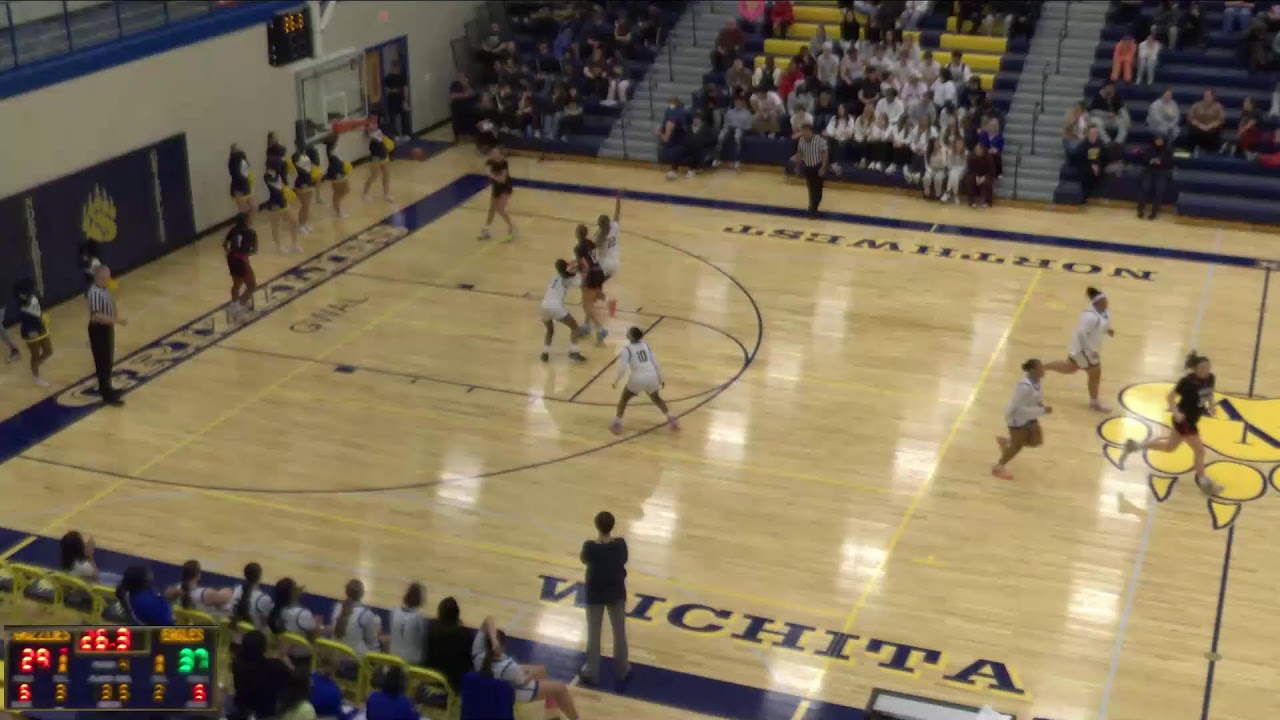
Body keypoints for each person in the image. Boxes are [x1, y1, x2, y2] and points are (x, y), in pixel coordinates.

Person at [1118, 352, 1223, 496]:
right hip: (1185, 421)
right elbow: (1170, 397)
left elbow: (1209, 393)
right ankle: (1205, 484)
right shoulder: (1187, 382)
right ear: (1196, 369)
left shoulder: (1210, 378)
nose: (1207, 370)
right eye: (1203, 368)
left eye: (1208, 367)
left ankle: (1134, 446)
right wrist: (1176, 412)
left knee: (1169, 447)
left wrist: (1211, 405)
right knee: (1200, 451)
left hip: (1192, 419)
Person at [473, 618, 583, 720]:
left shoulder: (478, 654)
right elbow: (522, 683)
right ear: (500, 647)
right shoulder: (509, 667)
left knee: (541, 670)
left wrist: (493, 639)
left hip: (502, 678)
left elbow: (487, 621)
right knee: (561, 688)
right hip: (516, 690)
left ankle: (551, 704)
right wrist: (530, 674)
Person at [579, 511, 631, 685]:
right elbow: (624, 559)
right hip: (616, 592)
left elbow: (584, 559)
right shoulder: (620, 545)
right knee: (619, 633)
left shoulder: (590, 547)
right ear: (612, 526)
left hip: (595, 594)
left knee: (594, 634)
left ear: (597, 526)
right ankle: (622, 669)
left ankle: (592, 671)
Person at [1044, 288, 1114, 411]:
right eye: (1103, 301)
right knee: (1094, 372)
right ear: (1096, 303)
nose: (1106, 302)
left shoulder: (1105, 312)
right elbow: (1082, 334)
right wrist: (1089, 351)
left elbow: (1102, 325)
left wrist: (1107, 330)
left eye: (1106, 300)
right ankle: (1094, 402)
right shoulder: (1089, 316)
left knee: (1069, 368)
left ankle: (1043, 367)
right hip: (1081, 350)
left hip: (1088, 350)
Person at [609, 326, 678, 434]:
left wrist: (616, 381)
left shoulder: (627, 349)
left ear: (631, 336)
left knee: (624, 399)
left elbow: (622, 369)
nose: (626, 333)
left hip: (637, 378)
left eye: (628, 332)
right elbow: (655, 363)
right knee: (656, 398)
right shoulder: (646, 345)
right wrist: (661, 379)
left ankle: (618, 423)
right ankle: (671, 418)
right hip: (651, 376)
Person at [991, 359, 1051, 480]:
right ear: (1033, 370)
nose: (1043, 370)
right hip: (1016, 418)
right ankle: (999, 467)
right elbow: (1019, 409)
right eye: (1041, 368)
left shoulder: (1037, 381)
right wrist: (1042, 411)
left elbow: (1036, 396)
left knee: (1036, 441)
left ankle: (1008, 443)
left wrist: (1039, 404)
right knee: (1018, 445)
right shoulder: (1024, 387)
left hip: (1029, 416)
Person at [229, 630, 292, 720]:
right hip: (268, 713)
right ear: (264, 648)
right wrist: (284, 657)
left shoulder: (237, 664)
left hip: (241, 710)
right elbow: (293, 679)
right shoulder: (275, 666)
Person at [87, 265, 125, 407]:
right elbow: (97, 316)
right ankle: (107, 395)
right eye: (106, 277)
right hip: (99, 329)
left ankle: (109, 388)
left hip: (107, 328)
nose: (109, 279)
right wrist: (116, 320)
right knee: (102, 362)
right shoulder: (94, 293)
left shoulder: (104, 288)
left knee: (108, 360)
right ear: (99, 277)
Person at [539, 259, 589, 363]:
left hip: (543, 306)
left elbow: (566, 269)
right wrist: (583, 270)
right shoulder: (568, 279)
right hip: (555, 306)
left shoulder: (556, 274)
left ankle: (545, 353)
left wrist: (573, 264)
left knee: (550, 330)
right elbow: (580, 282)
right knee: (574, 327)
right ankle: (573, 352)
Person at [424, 597, 471, 694]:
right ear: (457, 614)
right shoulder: (464, 635)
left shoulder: (430, 629)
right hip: (453, 684)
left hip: (430, 677)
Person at [574, 225, 610, 346]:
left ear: (577, 234)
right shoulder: (591, 243)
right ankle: (587, 326)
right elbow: (594, 259)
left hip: (591, 275)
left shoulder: (578, 248)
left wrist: (583, 280)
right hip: (599, 271)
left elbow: (585, 265)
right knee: (590, 303)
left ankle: (600, 329)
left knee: (586, 305)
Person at [331, 579, 382, 656]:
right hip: (355, 657)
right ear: (362, 594)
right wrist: (377, 632)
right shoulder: (365, 614)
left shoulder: (337, 607)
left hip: (336, 653)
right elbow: (371, 642)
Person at [15, 280, 51, 386]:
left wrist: (43, 316)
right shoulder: (21, 304)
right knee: (35, 354)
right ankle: (36, 377)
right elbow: (24, 318)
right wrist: (31, 330)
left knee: (49, 351)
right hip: (29, 331)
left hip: (41, 327)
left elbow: (39, 308)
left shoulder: (34, 296)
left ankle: (35, 366)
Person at [262, 157, 301, 253]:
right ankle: (279, 246)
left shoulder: (279, 173)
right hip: (274, 203)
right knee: (276, 225)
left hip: (282, 200)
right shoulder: (267, 175)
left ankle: (295, 244)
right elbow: (274, 182)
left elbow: (283, 181)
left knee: (294, 220)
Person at [223, 213, 258, 320]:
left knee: (237, 283)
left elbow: (225, 244)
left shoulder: (233, 230)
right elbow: (254, 250)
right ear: (247, 220)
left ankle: (234, 305)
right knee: (252, 285)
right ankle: (240, 306)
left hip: (231, 258)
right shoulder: (251, 233)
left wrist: (229, 252)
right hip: (242, 259)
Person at [792, 124, 830, 217]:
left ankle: (813, 207)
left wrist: (823, 167)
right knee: (811, 189)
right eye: (803, 131)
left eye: (805, 131)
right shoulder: (801, 140)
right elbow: (799, 154)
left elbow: (825, 154)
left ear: (811, 131)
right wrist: (797, 167)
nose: (803, 133)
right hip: (808, 167)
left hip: (817, 167)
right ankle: (813, 208)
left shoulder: (819, 140)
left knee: (818, 190)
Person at [389, 582, 428, 667]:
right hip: (411, 661)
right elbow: (422, 639)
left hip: (393, 656)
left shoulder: (394, 611)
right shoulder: (419, 617)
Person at [479, 149, 515, 241]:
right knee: (491, 209)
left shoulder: (503, 163)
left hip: (505, 187)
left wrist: (492, 175)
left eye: (496, 153)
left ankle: (511, 227)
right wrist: (492, 175)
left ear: (499, 154)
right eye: (492, 153)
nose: (494, 155)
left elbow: (502, 179)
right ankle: (486, 231)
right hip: (496, 188)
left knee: (500, 209)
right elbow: (487, 171)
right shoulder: (489, 162)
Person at [1135, 134, 1174, 219]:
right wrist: (1150, 161)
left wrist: (1161, 162)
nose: (1158, 142)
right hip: (1149, 169)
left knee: (1159, 190)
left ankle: (1154, 212)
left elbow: (1171, 163)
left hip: (1162, 171)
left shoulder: (1168, 150)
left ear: (1163, 141)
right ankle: (1140, 209)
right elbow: (1144, 158)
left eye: (1160, 140)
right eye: (1157, 140)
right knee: (1145, 187)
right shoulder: (1149, 148)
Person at [230, 562, 274, 631]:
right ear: (259, 576)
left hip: (235, 637)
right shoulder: (263, 598)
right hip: (254, 638)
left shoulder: (236, 590)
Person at [363, 123, 395, 202]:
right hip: (375, 158)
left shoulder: (379, 132)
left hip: (384, 156)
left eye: (374, 124)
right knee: (373, 176)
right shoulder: (371, 138)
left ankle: (386, 194)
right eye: (371, 125)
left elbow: (383, 141)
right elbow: (374, 138)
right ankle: (365, 193)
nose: (374, 125)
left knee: (386, 175)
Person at [1187, 89, 1225, 155]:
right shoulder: (1197, 105)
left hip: (1211, 128)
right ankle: (1195, 149)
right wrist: (1199, 125)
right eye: (1205, 95)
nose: (1206, 97)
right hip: (1199, 127)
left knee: (1214, 132)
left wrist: (1210, 126)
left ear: (1213, 97)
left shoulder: (1218, 106)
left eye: (1208, 96)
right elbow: (1190, 117)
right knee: (1192, 131)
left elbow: (1221, 120)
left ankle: (1212, 152)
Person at [323, 136, 352, 218]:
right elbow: (334, 164)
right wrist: (338, 174)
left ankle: (335, 206)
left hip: (340, 171)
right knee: (339, 192)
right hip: (337, 173)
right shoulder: (331, 153)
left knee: (345, 190)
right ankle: (338, 211)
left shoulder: (334, 149)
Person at [384, 59, 411, 141]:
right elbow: (386, 90)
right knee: (393, 119)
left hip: (401, 100)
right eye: (395, 66)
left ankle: (405, 133)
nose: (396, 68)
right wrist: (393, 90)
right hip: (392, 101)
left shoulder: (402, 77)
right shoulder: (389, 77)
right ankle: (395, 135)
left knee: (404, 117)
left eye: (397, 66)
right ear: (392, 67)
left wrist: (406, 101)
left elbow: (405, 88)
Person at [1078, 125, 1106, 200]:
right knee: (1086, 172)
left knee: (1100, 171)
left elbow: (1103, 157)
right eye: (1092, 132)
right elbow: (1081, 159)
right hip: (1086, 166)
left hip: (1098, 166)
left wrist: (1097, 166)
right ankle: (1085, 196)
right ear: (1088, 134)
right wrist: (1091, 166)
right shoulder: (1083, 145)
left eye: (1095, 132)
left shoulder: (1100, 143)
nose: (1094, 134)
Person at [964, 142, 995, 208]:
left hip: (986, 175)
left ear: (982, 150)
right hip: (975, 175)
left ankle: (988, 202)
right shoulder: (971, 157)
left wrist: (984, 177)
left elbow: (992, 171)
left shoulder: (989, 157)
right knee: (969, 179)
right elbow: (970, 169)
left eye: (978, 149)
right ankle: (972, 202)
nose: (977, 151)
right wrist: (976, 176)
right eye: (976, 149)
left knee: (989, 182)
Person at [228, 143, 254, 217]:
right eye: (237, 148)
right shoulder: (233, 160)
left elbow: (246, 170)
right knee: (242, 209)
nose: (240, 148)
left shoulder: (243, 158)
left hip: (246, 184)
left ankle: (248, 223)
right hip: (238, 187)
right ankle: (243, 225)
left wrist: (249, 178)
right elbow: (236, 174)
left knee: (254, 206)